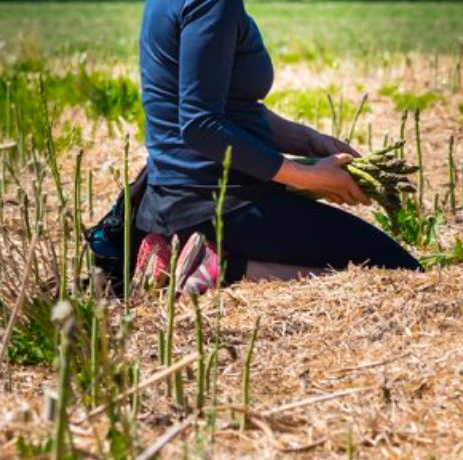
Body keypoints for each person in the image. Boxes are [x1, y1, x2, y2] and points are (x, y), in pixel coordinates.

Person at [136, 0, 422, 295]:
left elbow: (230, 108)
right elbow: (201, 126)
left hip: (168, 200)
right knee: (397, 270)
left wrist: (310, 141)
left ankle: (179, 252)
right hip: (218, 201)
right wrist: (308, 176)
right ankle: (225, 269)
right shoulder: (215, 4)